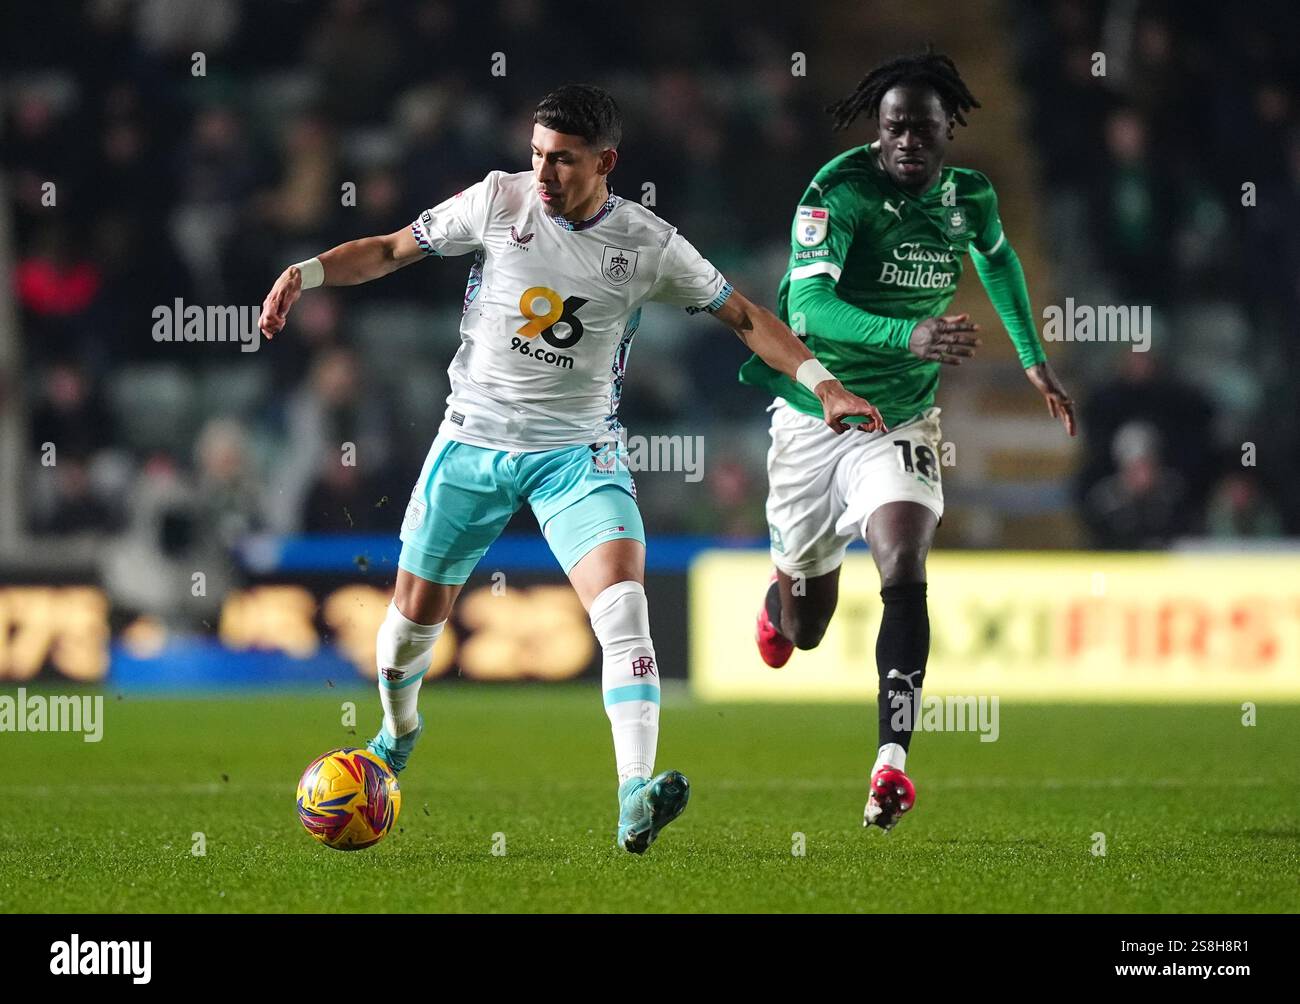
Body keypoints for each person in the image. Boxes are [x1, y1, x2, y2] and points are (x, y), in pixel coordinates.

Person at [258, 84, 883, 854]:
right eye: (537, 155)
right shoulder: (497, 201)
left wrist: (824, 384)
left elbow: (746, 315)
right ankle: (397, 734)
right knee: (406, 631)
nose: (543, 174)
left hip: (577, 455)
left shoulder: (648, 243)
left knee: (623, 607)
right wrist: (307, 273)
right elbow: (390, 249)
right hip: (472, 442)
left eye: (562, 160)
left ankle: (633, 794)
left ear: (606, 163)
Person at [740, 51, 1077, 831]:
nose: (907, 145)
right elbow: (811, 310)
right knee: (807, 627)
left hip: (898, 421)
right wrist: (908, 332)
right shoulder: (837, 190)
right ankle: (776, 603)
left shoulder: (971, 198)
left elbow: (998, 261)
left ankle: (891, 764)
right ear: (878, 130)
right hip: (814, 413)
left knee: (905, 563)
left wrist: (1033, 361)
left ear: (947, 130)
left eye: (923, 130)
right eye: (894, 129)